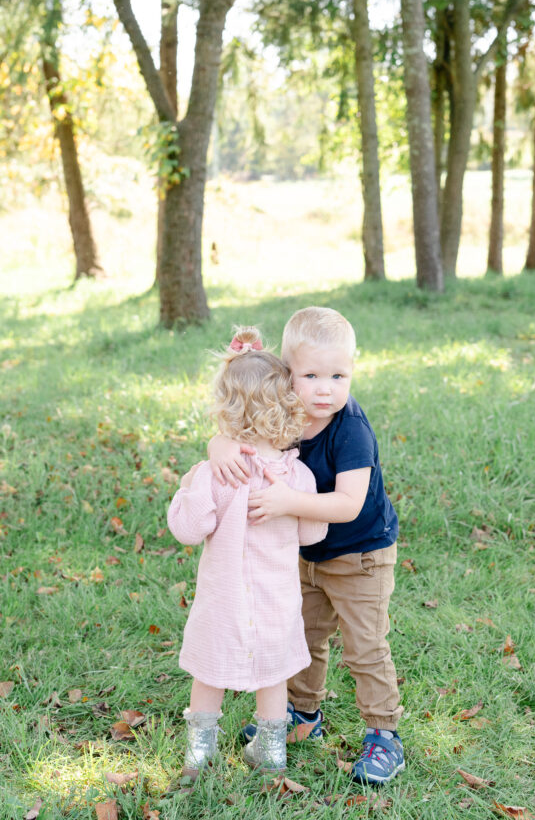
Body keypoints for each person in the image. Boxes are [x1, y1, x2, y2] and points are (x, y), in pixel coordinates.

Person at [205, 307, 404, 785]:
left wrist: (287, 500)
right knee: (303, 638)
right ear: (285, 375)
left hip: (361, 556)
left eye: (339, 375)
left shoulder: (350, 428)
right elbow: (238, 432)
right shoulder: (288, 415)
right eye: (310, 375)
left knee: (365, 647)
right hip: (307, 555)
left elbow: (350, 503)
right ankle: (303, 714)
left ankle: (384, 736)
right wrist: (220, 447)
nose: (324, 389)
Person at [167, 327, 327, 780]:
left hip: (222, 600)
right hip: (276, 600)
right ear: (287, 408)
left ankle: (200, 753)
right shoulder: (297, 477)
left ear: (225, 408)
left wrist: (188, 486)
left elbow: (187, 528)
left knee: (209, 670)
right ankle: (271, 751)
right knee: (273, 672)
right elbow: (313, 534)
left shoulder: (215, 473)